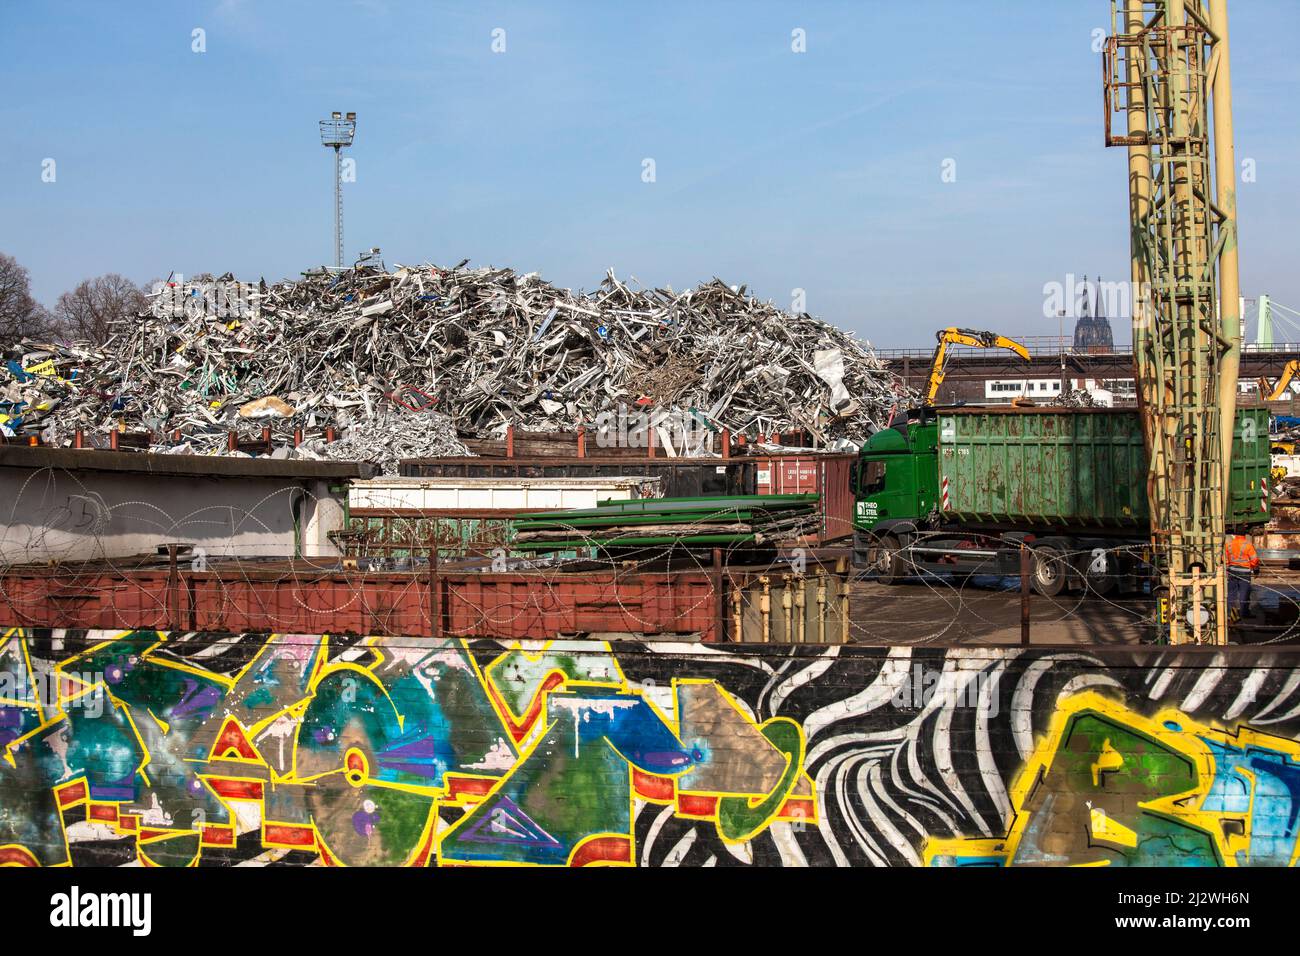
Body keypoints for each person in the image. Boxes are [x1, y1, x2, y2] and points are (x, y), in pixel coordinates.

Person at [1225, 530, 1260, 622]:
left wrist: (1229, 566)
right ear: (1244, 535)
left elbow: (1225, 558)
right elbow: (1254, 559)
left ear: (1235, 535)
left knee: (1231, 594)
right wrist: (1254, 568)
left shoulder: (1228, 544)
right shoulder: (1248, 545)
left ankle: (1230, 615)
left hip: (1232, 571)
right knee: (1244, 594)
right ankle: (1244, 613)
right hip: (1244, 572)